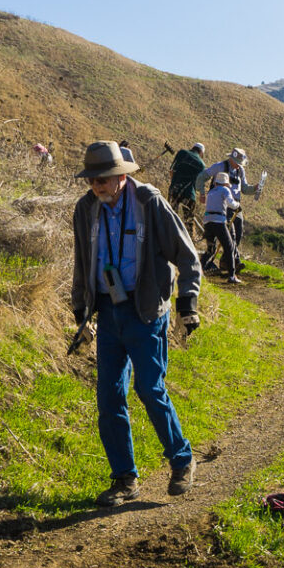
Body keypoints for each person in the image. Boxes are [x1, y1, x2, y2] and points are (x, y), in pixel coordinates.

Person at [71, 140, 202, 506]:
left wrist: (187, 302)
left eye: (104, 178)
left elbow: (187, 256)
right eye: (92, 179)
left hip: (146, 313)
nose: (97, 185)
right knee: (109, 397)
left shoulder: (149, 203)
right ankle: (124, 480)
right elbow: (83, 260)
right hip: (108, 316)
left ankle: (182, 460)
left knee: (149, 388)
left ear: (121, 176)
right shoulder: (85, 209)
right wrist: (81, 310)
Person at [203, 147, 250, 245]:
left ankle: (230, 257)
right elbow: (201, 177)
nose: (239, 165)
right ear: (231, 159)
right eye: (237, 162)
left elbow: (245, 189)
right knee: (228, 234)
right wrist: (202, 193)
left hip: (236, 206)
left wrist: (255, 188)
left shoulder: (241, 171)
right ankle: (228, 257)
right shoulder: (219, 166)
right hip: (223, 205)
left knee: (238, 232)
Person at [201, 170, 241, 283]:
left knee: (211, 249)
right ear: (225, 183)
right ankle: (232, 276)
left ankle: (198, 270)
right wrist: (238, 205)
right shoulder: (225, 190)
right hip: (219, 221)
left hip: (207, 222)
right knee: (229, 247)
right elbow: (231, 204)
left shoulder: (211, 192)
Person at [168, 141, 208, 234]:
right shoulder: (202, 164)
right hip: (189, 194)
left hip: (175, 189)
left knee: (170, 216)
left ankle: (168, 237)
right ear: (201, 152)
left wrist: (174, 182)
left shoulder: (182, 153)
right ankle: (190, 241)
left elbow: (172, 170)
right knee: (189, 220)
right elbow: (198, 184)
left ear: (193, 147)